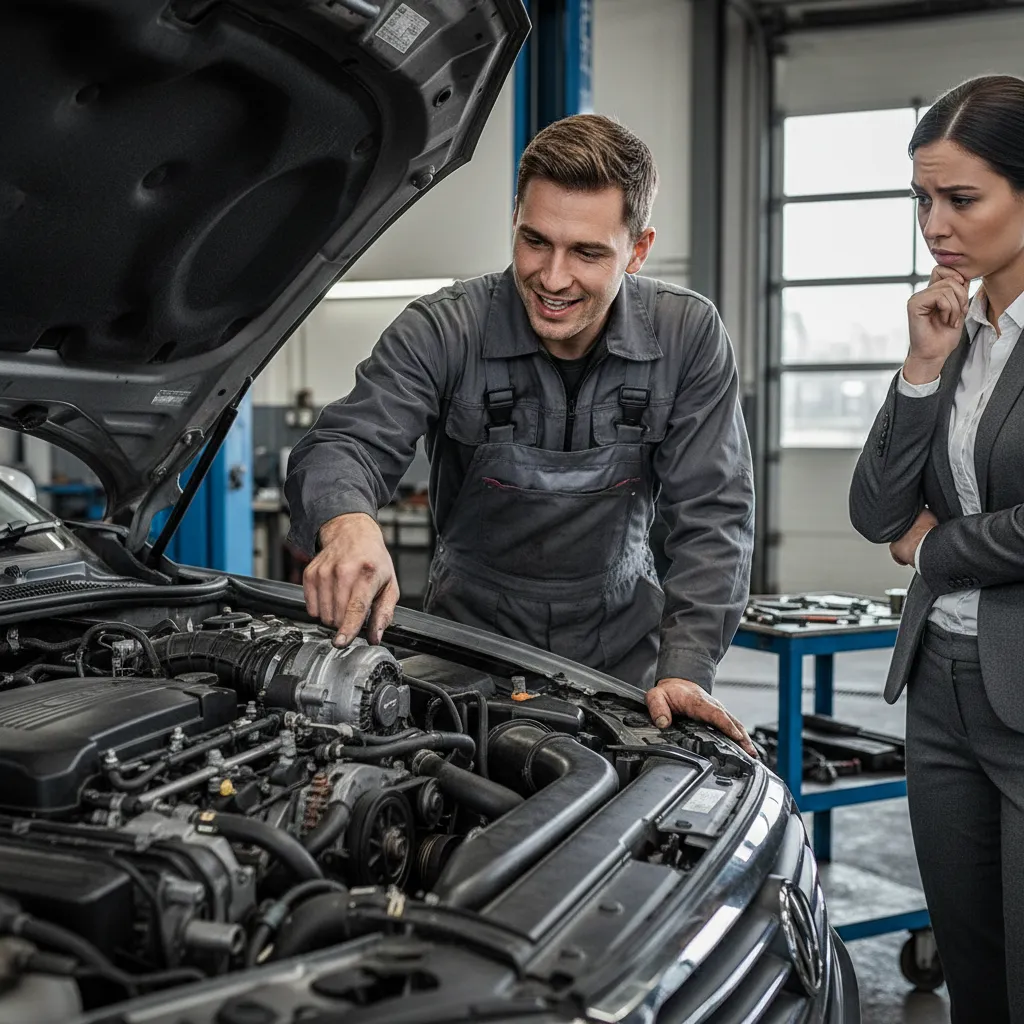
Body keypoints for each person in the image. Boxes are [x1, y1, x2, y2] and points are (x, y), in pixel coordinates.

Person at [286, 114, 757, 756]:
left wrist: (686, 665)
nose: (554, 278)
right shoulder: (444, 329)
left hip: (619, 655)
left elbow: (715, 512)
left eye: (588, 253)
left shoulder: (687, 337)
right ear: (514, 222)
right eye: (535, 242)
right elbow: (347, 443)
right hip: (465, 652)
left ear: (638, 250)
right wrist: (346, 522)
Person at [850, 74, 1024, 1022]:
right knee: (973, 974)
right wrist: (919, 370)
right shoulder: (955, 328)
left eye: (963, 199)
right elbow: (877, 510)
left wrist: (938, 551)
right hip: (940, 690)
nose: (935, 225)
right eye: (923, 199)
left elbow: (918, 539)